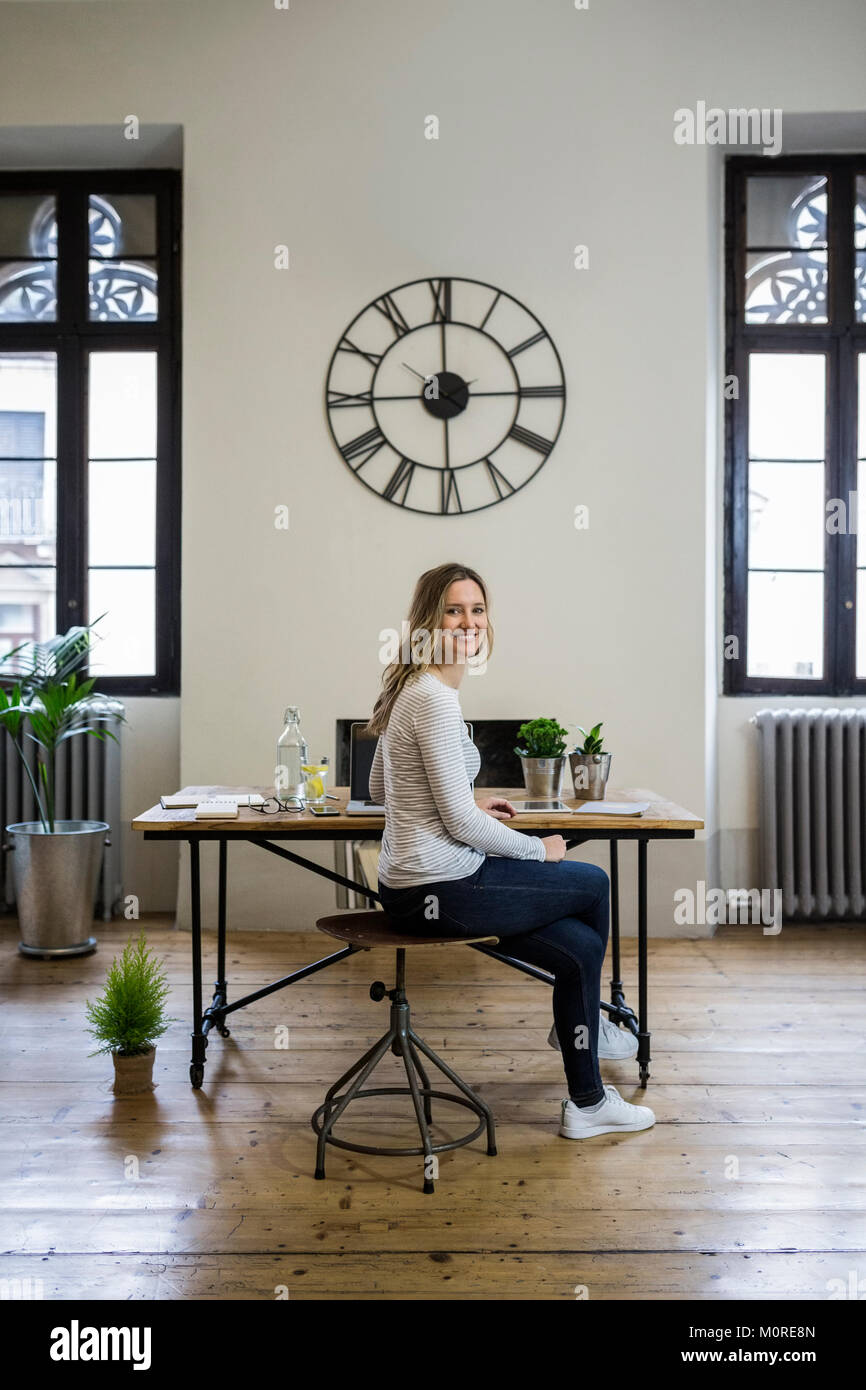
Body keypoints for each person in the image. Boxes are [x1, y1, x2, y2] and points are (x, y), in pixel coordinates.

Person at [366, 561, 654, 1139]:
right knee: (590, 881)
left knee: (575, 951)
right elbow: (455, 823)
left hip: (410, 885)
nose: (468, 621)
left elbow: (379, 788)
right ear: (428, 619)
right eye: (454, 609)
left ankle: (586, 1099)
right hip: (441, 888)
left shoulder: (415, 690)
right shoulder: (434, 699)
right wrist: (534, 849)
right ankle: (588, 1031)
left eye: (476, 610)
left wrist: (470, 804)